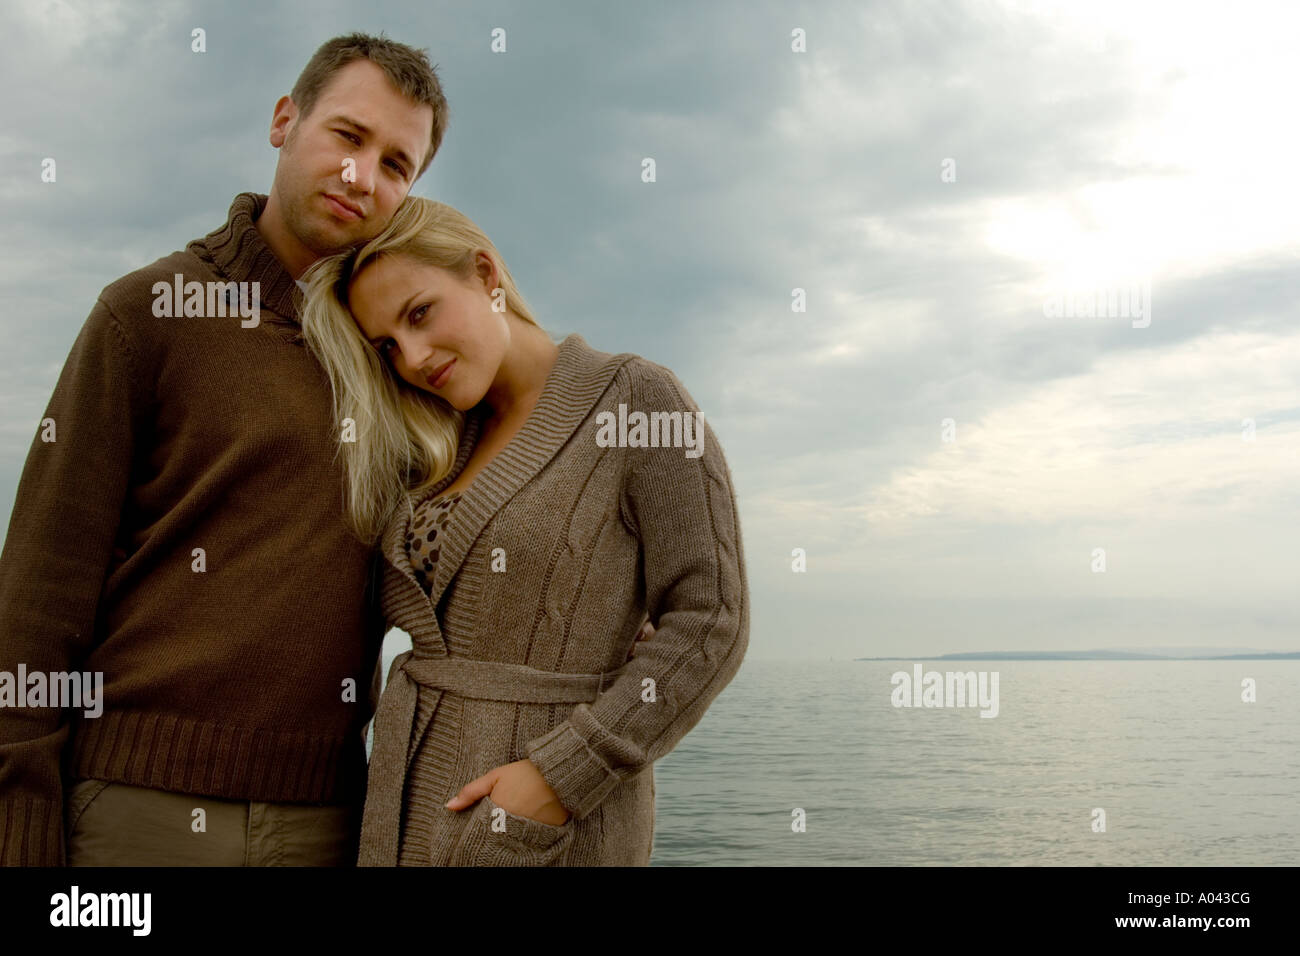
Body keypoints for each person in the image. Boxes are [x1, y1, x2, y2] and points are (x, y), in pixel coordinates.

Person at [1, 33, 459, 867]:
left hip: (329, 822)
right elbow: (38, 593)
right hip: (137, 815)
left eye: (397, 164)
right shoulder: (145, 314)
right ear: (285, 120)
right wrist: (19, 824)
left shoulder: (400, 359)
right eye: (347, 137)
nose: (363, 177)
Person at [297, 196, 749, 866]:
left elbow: (712, 618)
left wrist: (559, 779)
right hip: (406, 817)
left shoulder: (637, 400)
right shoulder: (439, 438)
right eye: (387, 345)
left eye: (420, 313)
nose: (414, 357)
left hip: (547, 832)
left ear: (485, 274)